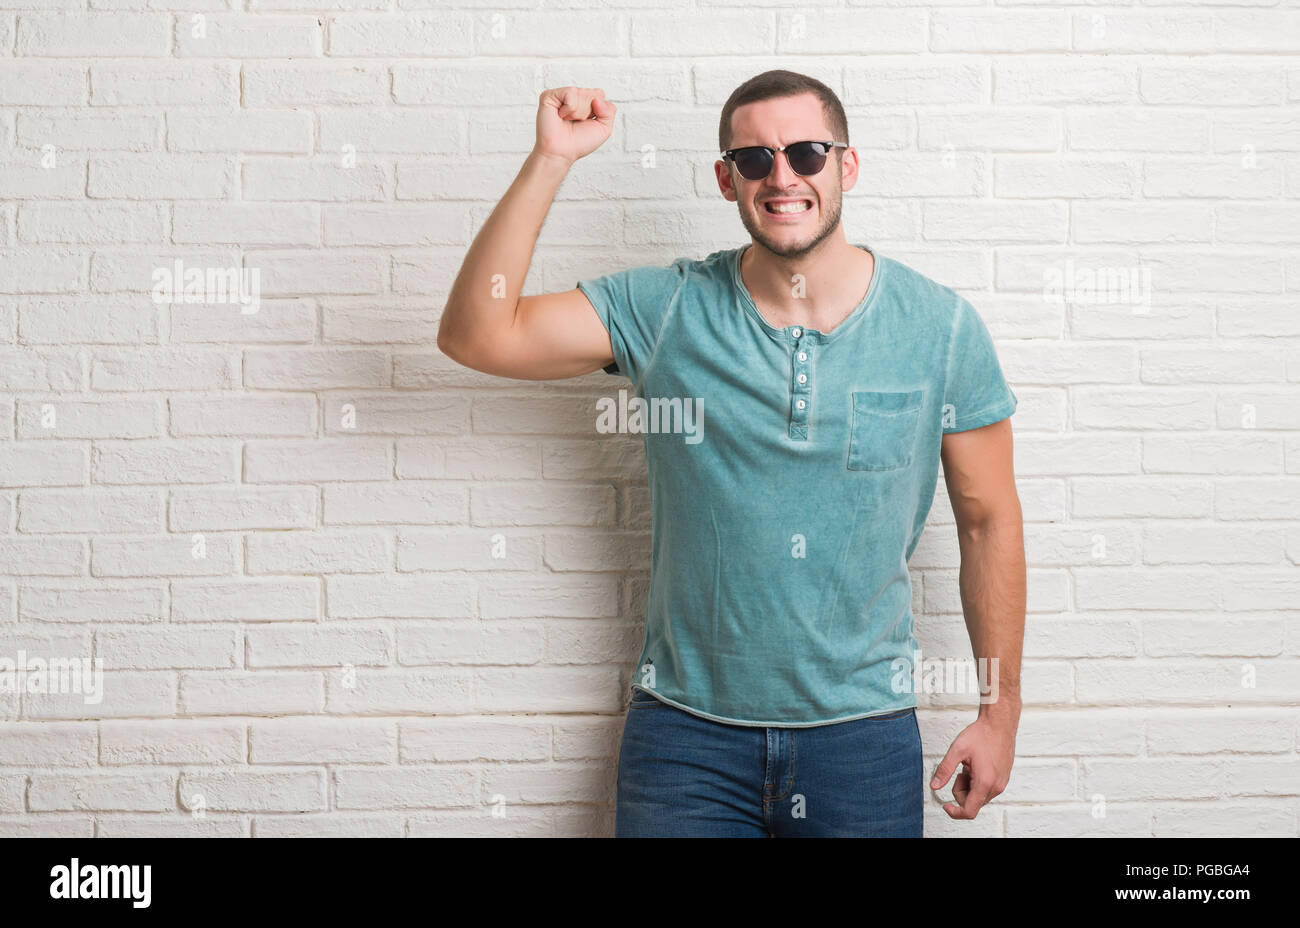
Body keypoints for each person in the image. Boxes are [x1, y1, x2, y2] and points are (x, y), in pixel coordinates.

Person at [438, 70, 1025, 837]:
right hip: (686, 740)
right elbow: (477, 334)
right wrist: (551, 160)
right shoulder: (668, 309)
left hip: (863, 736)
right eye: (755, 160)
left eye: (808, 153)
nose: (783, 177)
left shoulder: (940, 327)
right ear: (726, 180)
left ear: (846, 166)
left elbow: (988, 525)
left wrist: (1000, 713)